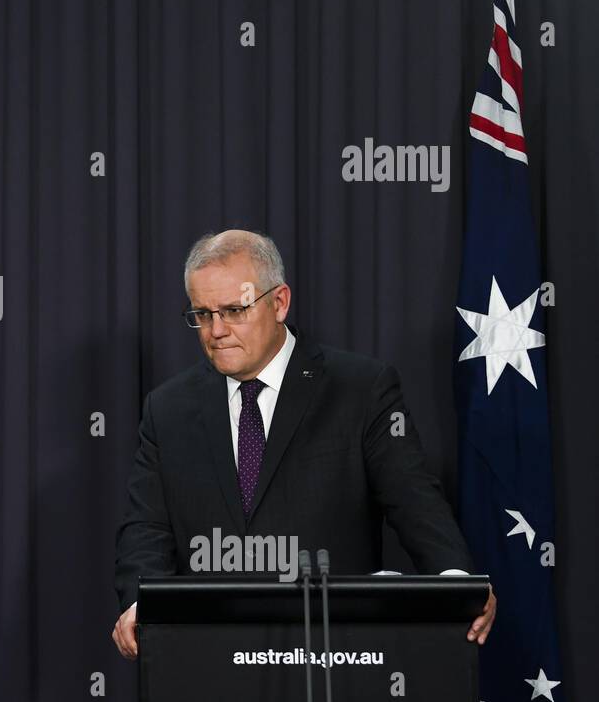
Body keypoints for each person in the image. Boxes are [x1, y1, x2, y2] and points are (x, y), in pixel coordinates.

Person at [112, 230, 495, 660]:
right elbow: (146, 527)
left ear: (279, 303)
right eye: (202, 314)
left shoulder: (359, 389)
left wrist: (456, 581)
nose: (216, 331)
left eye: (234, 310)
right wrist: (139, 604)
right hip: (209, 652)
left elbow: (414, 500)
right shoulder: (168, 408)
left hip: (330, 654)